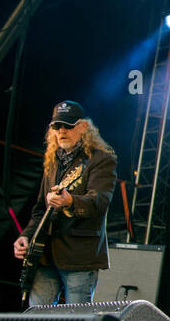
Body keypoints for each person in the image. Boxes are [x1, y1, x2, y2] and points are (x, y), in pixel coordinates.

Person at [13, 101, 117, 306]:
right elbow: (40, 210)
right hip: (45, 254)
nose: (62, 131)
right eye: (57, 126)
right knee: (37, 320)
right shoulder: (52, 161)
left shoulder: (101, 159)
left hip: (79, 256)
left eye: (68, 125)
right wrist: (26, 236)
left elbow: (100, 202)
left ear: (84, 127)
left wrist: (70, 201)